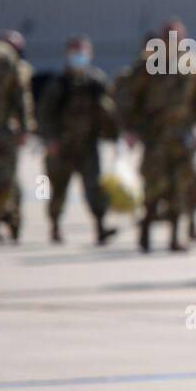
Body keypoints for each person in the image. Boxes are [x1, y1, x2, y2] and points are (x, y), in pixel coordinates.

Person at [119, 26, 196, 252]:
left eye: (178, 38)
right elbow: (129, 97)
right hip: (155, 136)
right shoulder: (148, 64)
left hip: (183, 137)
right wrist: (130, 129)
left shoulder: (194, 64)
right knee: (153, 186)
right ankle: (145, 231)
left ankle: (174, 237)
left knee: (180, 188)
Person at [37, 36, 119, 245]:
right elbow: (45, 114)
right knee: (57, 188)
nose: (80, 57)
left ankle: (100, 227)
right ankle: (54, 226)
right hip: (62, 146)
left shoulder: (96, 81)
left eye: (84, 52)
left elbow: (109, 112)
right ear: (67, 54)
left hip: (88, 145)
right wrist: (50, 140)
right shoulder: (59, 83)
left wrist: (113, 134)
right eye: (76, 52)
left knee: (95, 187)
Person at [0, 31, 34, 245]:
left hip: (2, 133)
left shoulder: (5, 57)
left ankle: (8, 218)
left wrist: (25, 127)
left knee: (6, 185)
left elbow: (19, 94)